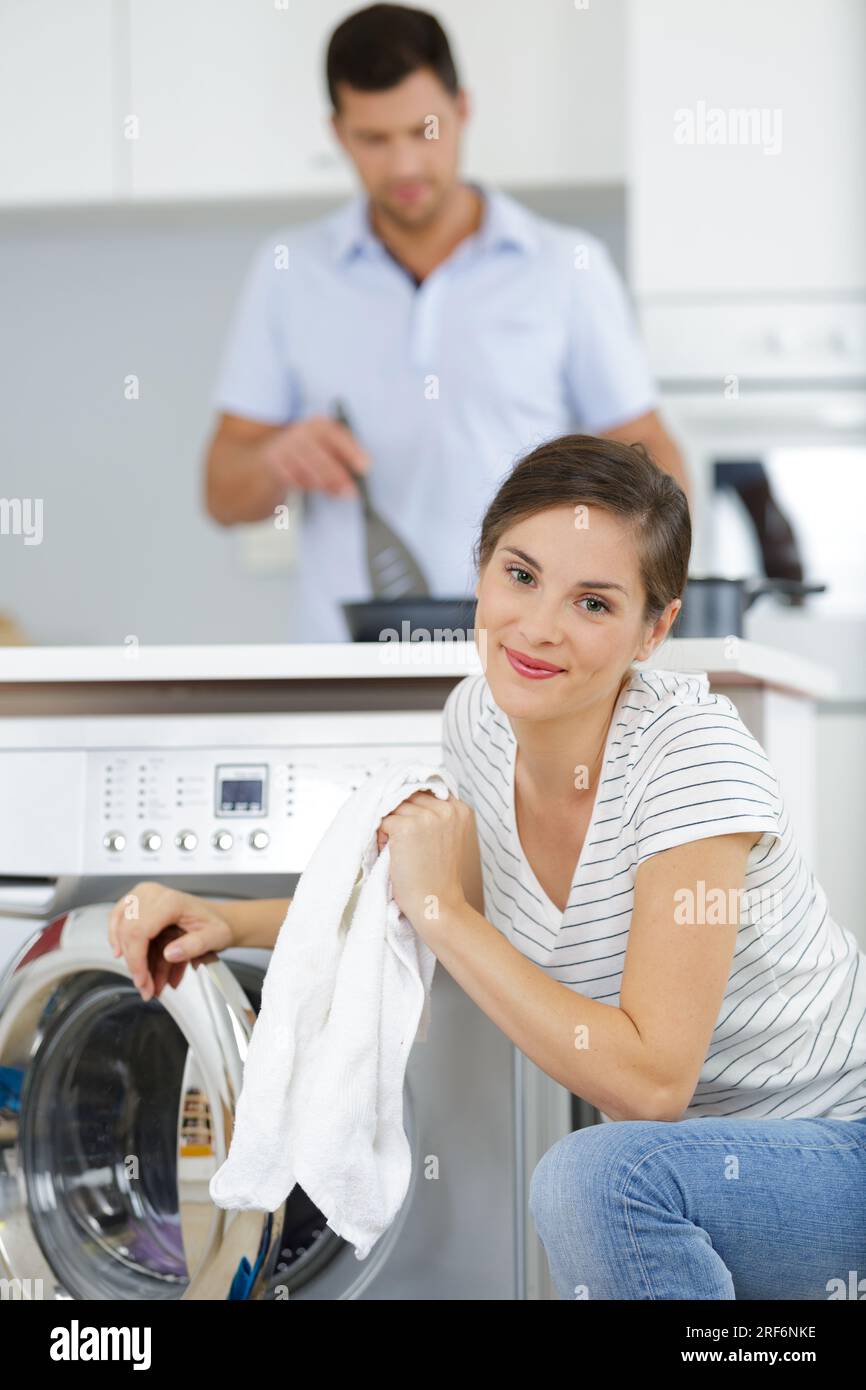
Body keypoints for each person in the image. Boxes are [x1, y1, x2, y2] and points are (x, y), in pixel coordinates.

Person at [111, 433, 866, 1300]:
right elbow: (453, 897)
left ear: (655, 629)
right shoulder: (478, 718)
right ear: (479, 572)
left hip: (840, 1139)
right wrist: (228, 920)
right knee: (608, 1177)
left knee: (598, 1181)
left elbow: (652, 1083)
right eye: (520, 575)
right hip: (703, 1158)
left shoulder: (687, 757)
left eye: (593, 602)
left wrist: (445, 917)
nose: (539, 627)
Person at [203, 2, 689, 643]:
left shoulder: (566, 268)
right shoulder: (289, 271)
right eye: (373, 139)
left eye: (423, 131)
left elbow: (655, 464)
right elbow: (223, 494)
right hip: (345, 665)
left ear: (463, 110)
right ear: (338, 133)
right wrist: (274, 460)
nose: (403, 164)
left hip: (527, 660)